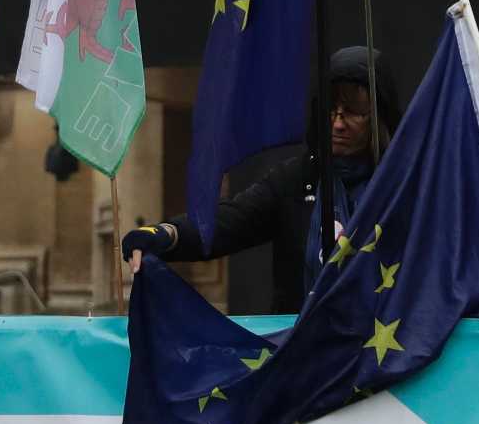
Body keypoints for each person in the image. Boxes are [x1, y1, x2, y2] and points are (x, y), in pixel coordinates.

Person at [121, 44, 399, 289]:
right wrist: (169, 234)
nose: (337, 124)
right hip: (305, 333)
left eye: (352, 113)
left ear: (379, 117)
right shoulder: (294, 180)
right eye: (331, 110)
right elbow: (229, 222)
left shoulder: (403, 185)